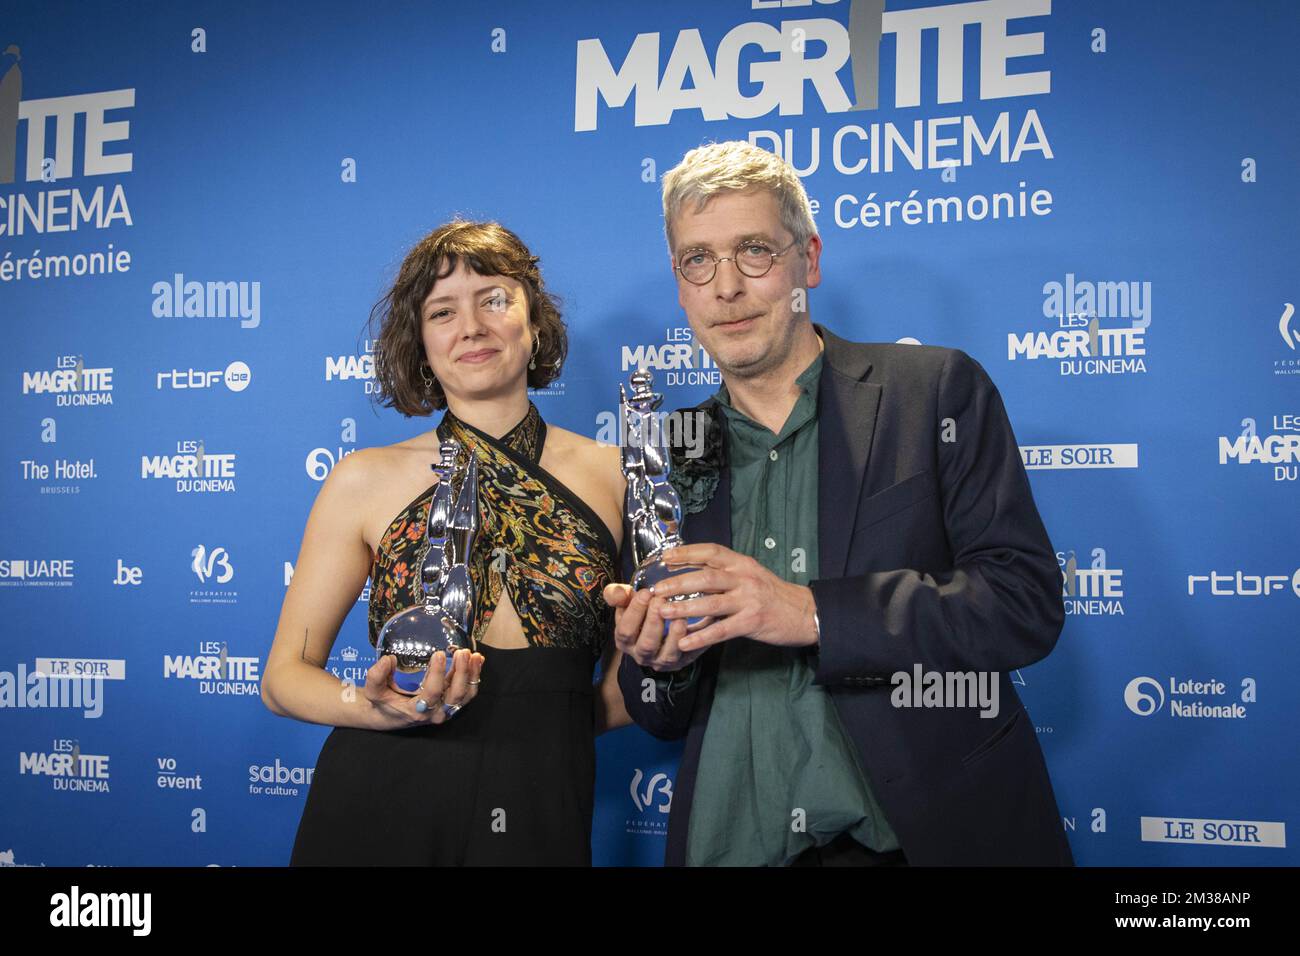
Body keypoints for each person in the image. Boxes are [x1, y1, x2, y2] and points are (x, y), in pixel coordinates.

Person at [605, 140, 1073, 867]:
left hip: (914, 840)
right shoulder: (670, 446)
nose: (726, 286)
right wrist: (656, 660)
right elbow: (659, 715)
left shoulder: (933, 390)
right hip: (729, 846)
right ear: (680, 282)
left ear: (809, 261)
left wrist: (812, 612)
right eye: (698, 260)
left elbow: (1023, 603)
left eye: (754, 251)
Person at [262, 220, 630, 865]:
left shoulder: (616, 475)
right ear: (421, 344)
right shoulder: (362, 480)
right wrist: (380, 709)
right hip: (381, 798)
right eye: (442, 311)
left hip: (543, 799)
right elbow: (283, 679)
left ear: (535, 321)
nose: (471, 326)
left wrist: (548, 723)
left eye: (494, 298)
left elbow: (636, 683)